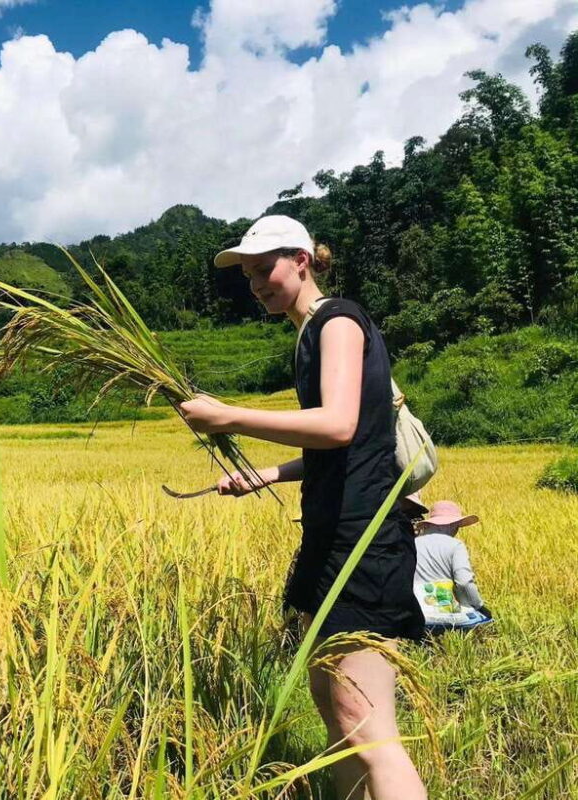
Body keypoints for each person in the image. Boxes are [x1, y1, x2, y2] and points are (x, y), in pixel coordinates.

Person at [179, 215, 427, 800]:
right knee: (338, 712)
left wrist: (230, 415)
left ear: (302, 260)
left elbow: (338, 425)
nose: (257, 283)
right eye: (248, 275)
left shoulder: (336, 321)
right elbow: (348, 446)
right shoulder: (311, 331)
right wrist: (266, 473)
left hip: (362, 542)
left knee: (366, 728)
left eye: (265, 268)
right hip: (337, 537)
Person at [414, 500, 492, 627]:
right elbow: (464, 582)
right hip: (447, 613)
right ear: (451, 525)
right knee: (481, 618)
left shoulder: (413, 543)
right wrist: (479, 606)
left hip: (414, 613)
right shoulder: (456, 545)